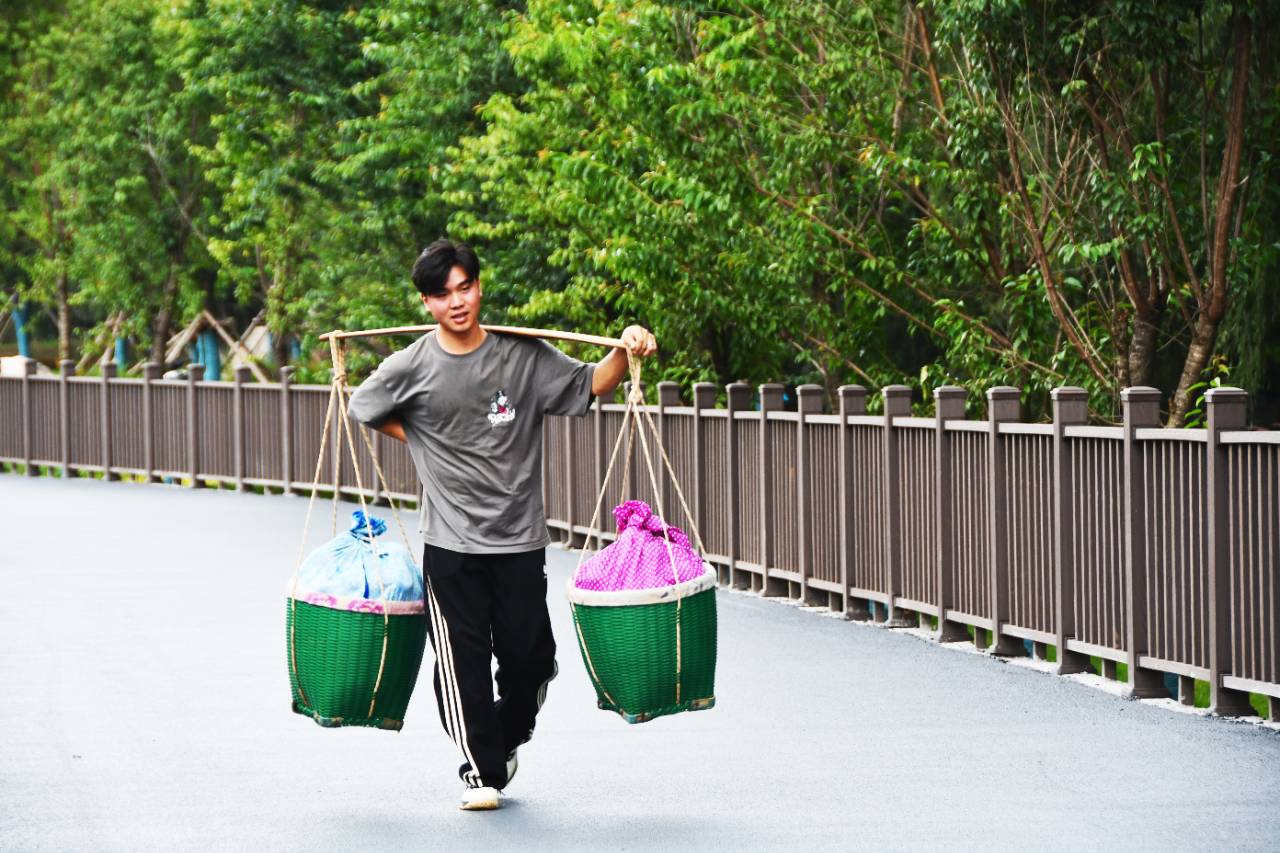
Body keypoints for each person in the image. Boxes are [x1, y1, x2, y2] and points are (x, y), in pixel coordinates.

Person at [347, 239, 656, 811]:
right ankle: (482, 772)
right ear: (426, 303)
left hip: (518, 538)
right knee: (461, 660)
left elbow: (592, 383)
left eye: (464, 287)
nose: (456, 302)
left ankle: (508, 737)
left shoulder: (523, 356)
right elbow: (363, 406)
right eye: (442, 294)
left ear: (479, 288)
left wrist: (627, 344)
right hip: (450, 542)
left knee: (530, 657)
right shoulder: (411, 365)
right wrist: (420, 439)